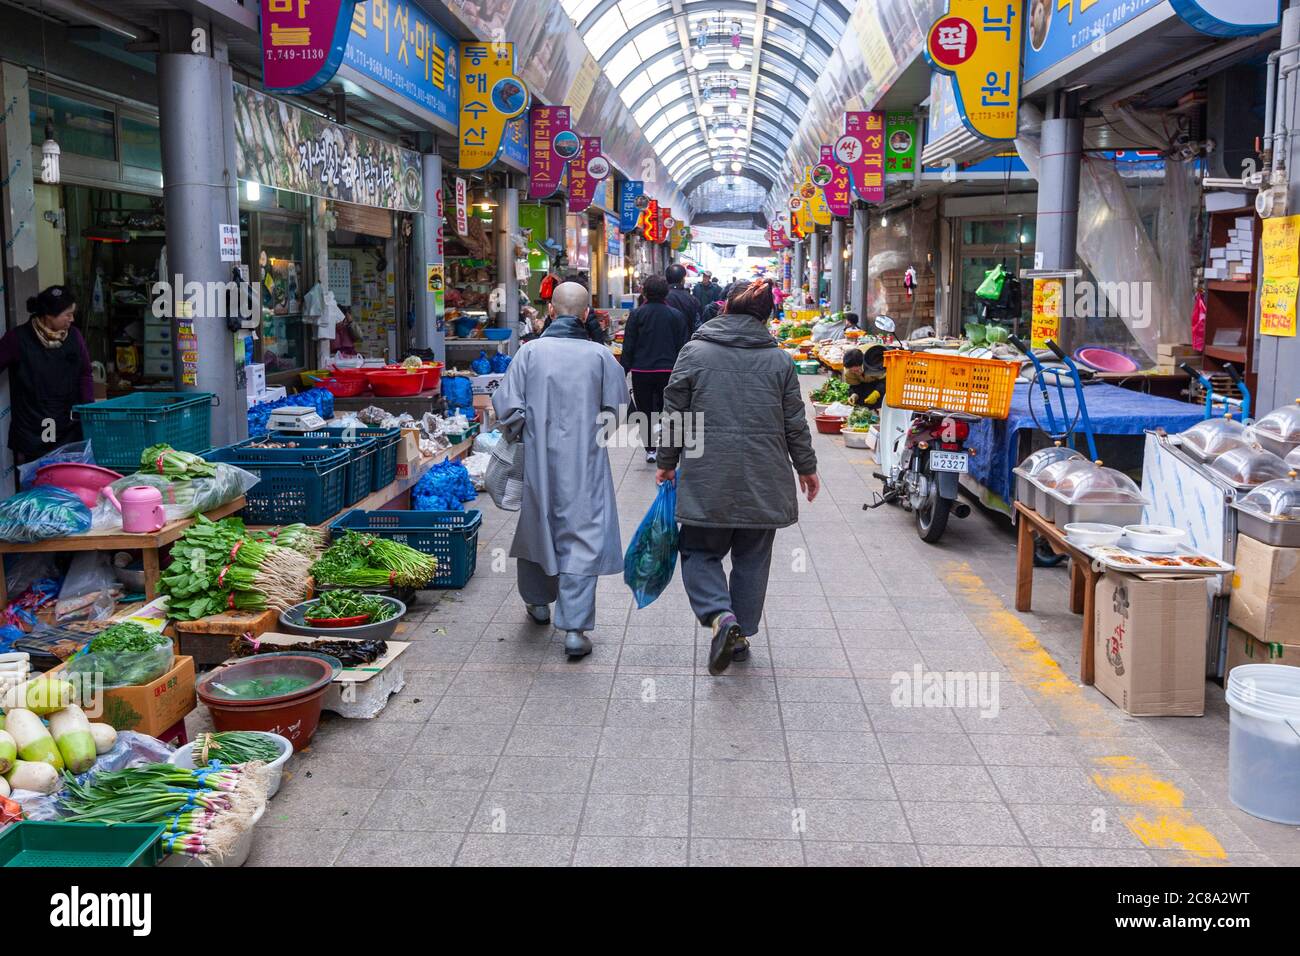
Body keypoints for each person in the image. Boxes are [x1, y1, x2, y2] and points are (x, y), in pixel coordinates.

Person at [655, 278, 820, 676]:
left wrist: (667, 460)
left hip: (707, 475)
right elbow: (794, 422)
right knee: (752, 559)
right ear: (767, 317)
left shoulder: (694, 352)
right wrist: (807, 467)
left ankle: (720, 619)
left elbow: (674, 414)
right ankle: (740, 634)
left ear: (724, 308)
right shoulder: (779, 360)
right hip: (766, 478)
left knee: (699, 551)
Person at [492, 282, 627, 659]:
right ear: (586, 314)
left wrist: (527, 431)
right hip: (585, 462)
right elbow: (618, 412)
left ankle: (537, 603)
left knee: (538, 525)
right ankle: (574, 629)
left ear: (551, 310)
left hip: (537, 461)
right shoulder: (601, 357)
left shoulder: (529, 352)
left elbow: (507, 407)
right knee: (582, 535)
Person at [0, 286, 93, 465]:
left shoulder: (74, 336)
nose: (71, 319)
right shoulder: (18, 338)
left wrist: (88, 410)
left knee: (68, 481)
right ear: (49, 315)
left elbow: (85, 374)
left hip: (69, 425)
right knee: (37, 480)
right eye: (67, 314)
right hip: (33, 426)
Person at [620, 276, 689, 464]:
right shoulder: (676, 315)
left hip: (642, 371)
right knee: (668, 410)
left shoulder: (637, 314)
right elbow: (683, 346)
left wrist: (623, 371)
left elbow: (629, 346)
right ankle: (667, 447)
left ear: (644, 292)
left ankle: (650, 449)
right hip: (668, 370)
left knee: (644, 410)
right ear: (665, 292)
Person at [843, 344, 887, 409]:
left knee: (881, 400)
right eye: (854, 371)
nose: (857, 373)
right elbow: (855, 386)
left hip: (880, 380)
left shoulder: (875, 364)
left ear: (862, 364)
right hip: (865, 382)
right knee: (861, 402)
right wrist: (854, 394)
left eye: (858, 370)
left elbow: (886, 380)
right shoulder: (848, 372)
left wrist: (877, 392)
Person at [664, 263, 702, 333]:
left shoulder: (660, 296)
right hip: (685, 340)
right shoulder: (692, 299)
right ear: (682, 279)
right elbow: (696, 324)